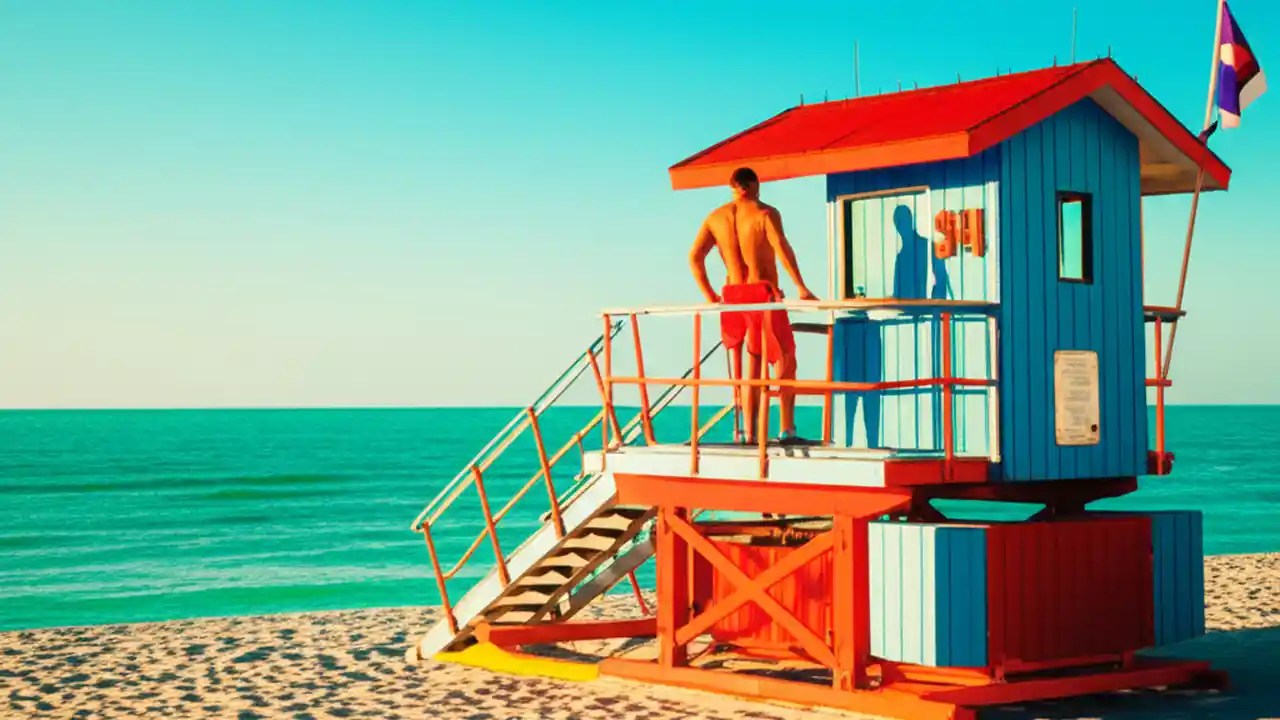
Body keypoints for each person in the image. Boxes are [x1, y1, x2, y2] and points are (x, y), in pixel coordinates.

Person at [688, 166, 818, 445]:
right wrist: (801, 287)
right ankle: (786, 429)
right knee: (784, 358)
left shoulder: (716, 217)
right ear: (754, 185)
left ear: (732, 187)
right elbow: (781, 248)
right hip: (762, 292)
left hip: (733, 296)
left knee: (750, 362)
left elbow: (695, 257)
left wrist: (710, 295)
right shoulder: (765, 214)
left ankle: (748, 430)